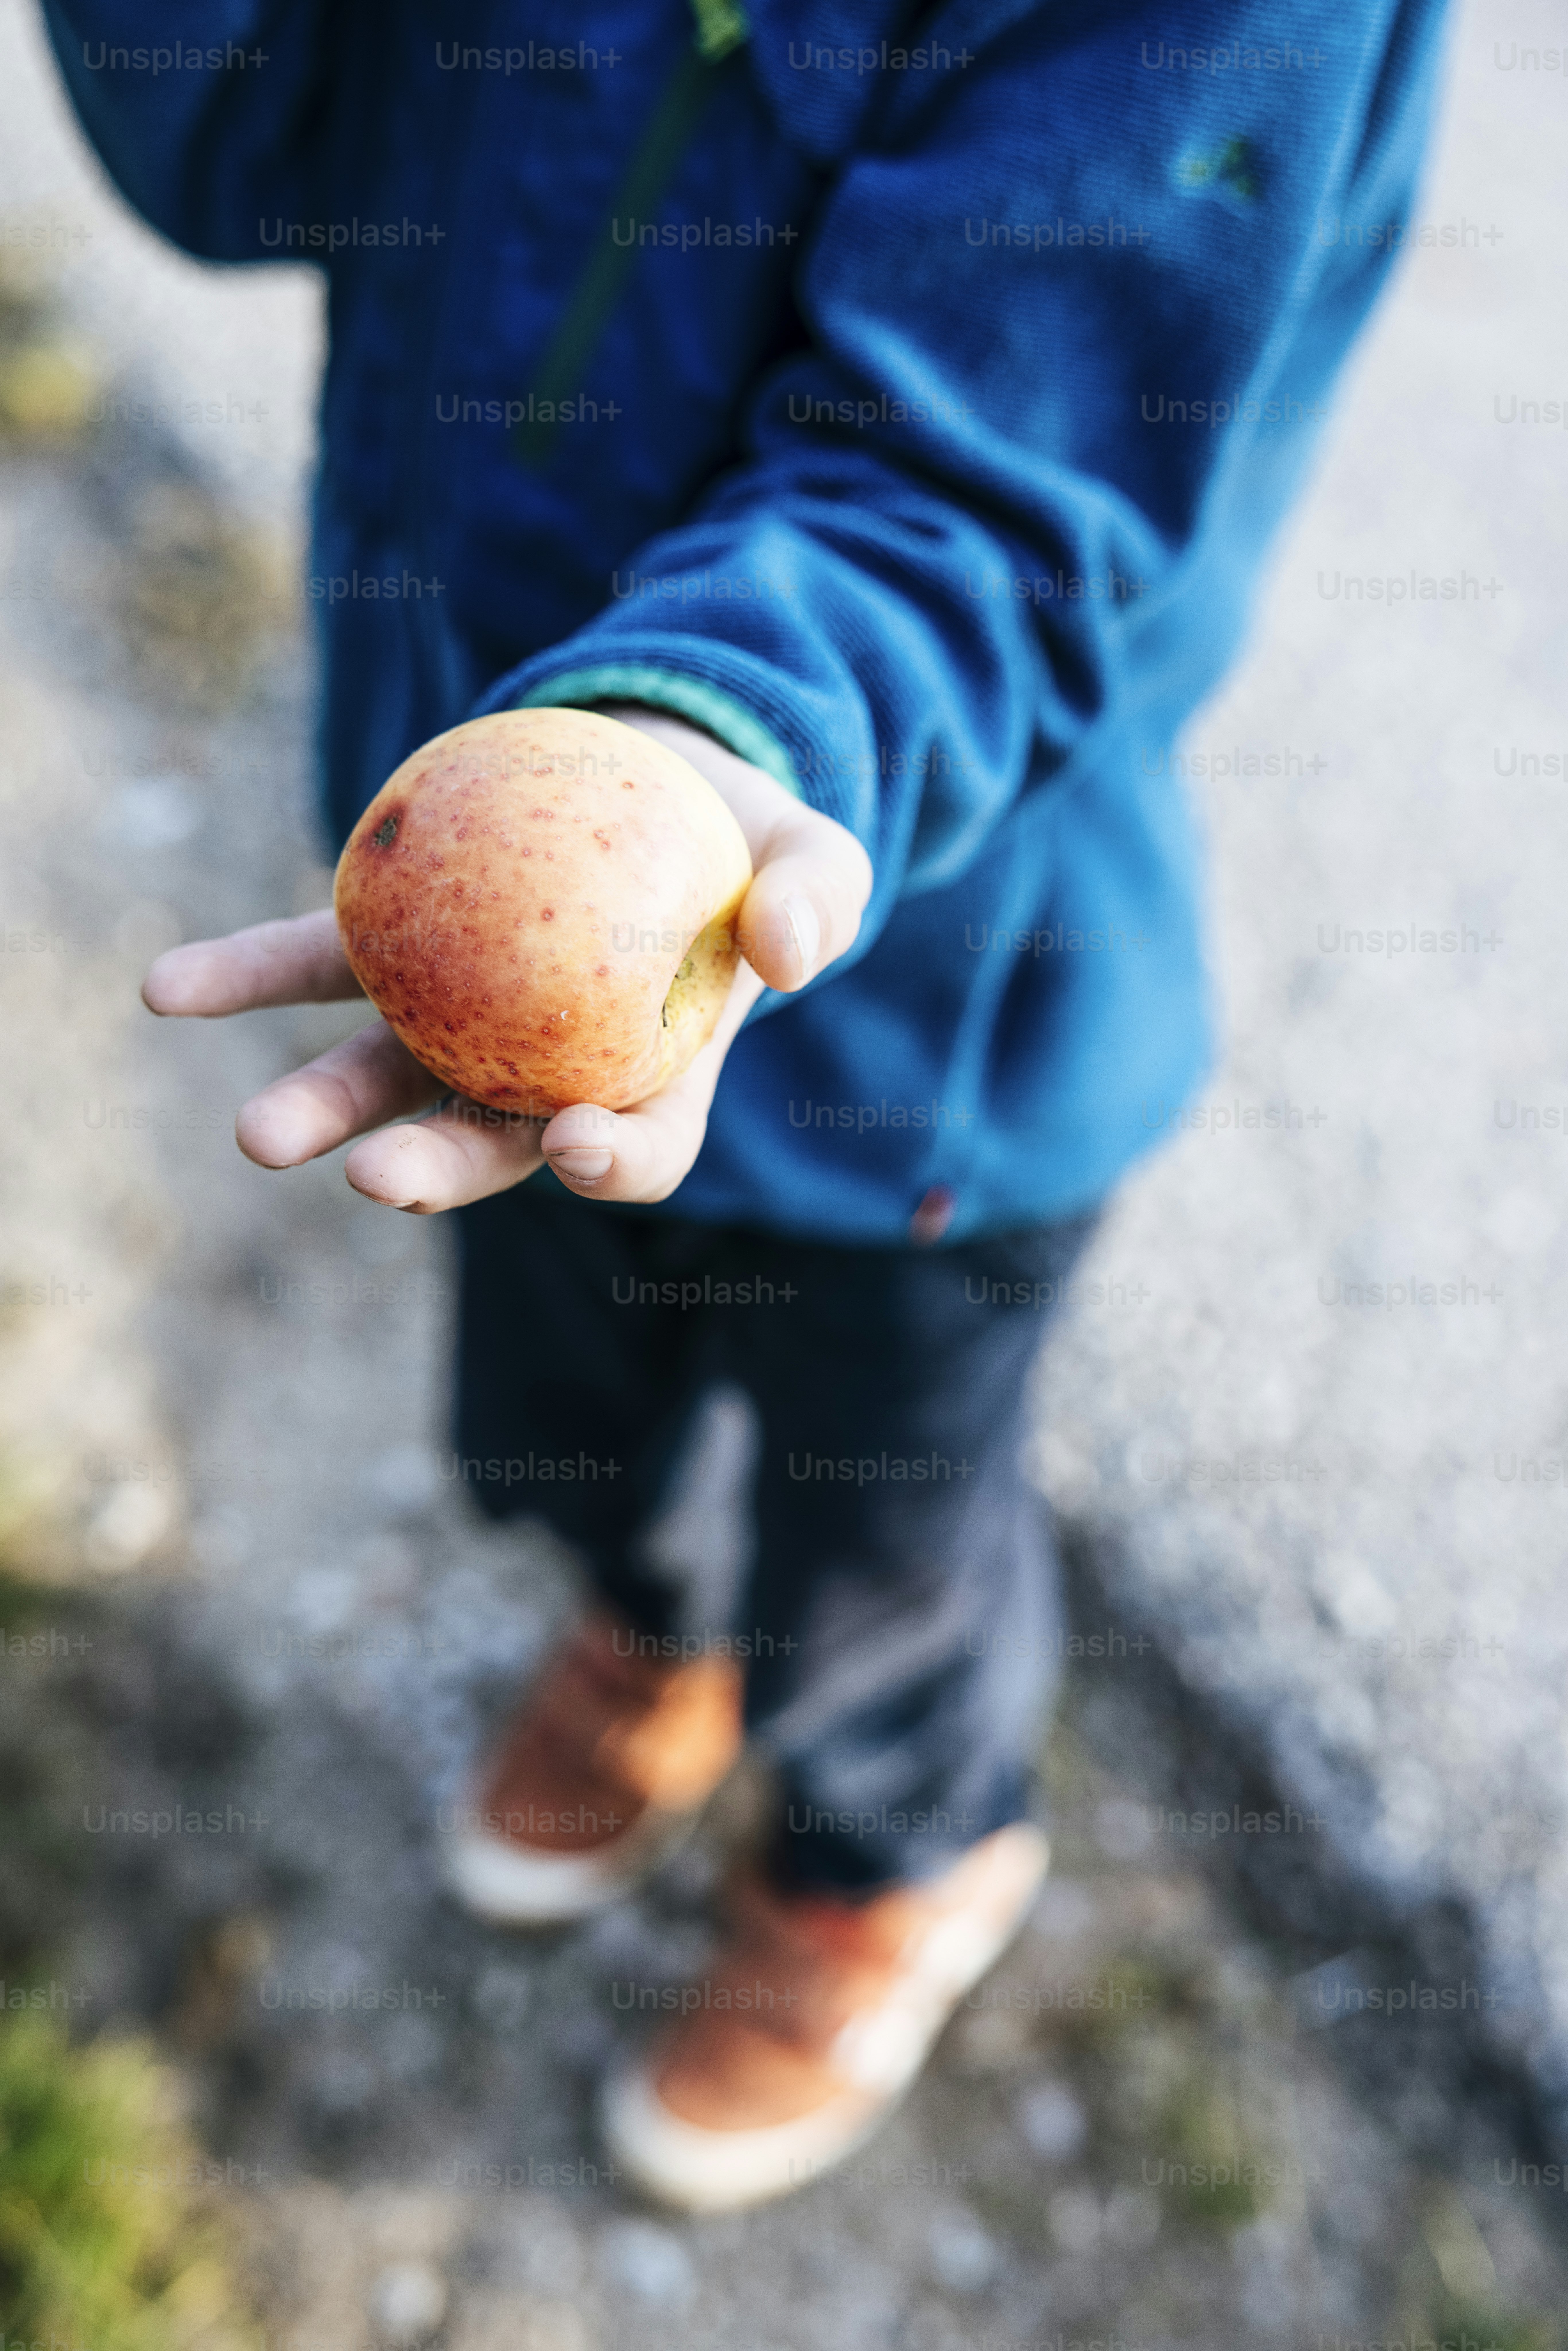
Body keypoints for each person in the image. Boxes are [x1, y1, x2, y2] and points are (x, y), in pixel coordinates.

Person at [47, 0, 1450, 2211]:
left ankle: (887, 1854)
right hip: (485, 903)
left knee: (878, 1515)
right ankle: (645, 1632)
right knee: (563, 1392)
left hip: (905, 983)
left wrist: (709, 733)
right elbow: (239, 155)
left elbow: (991, 483)